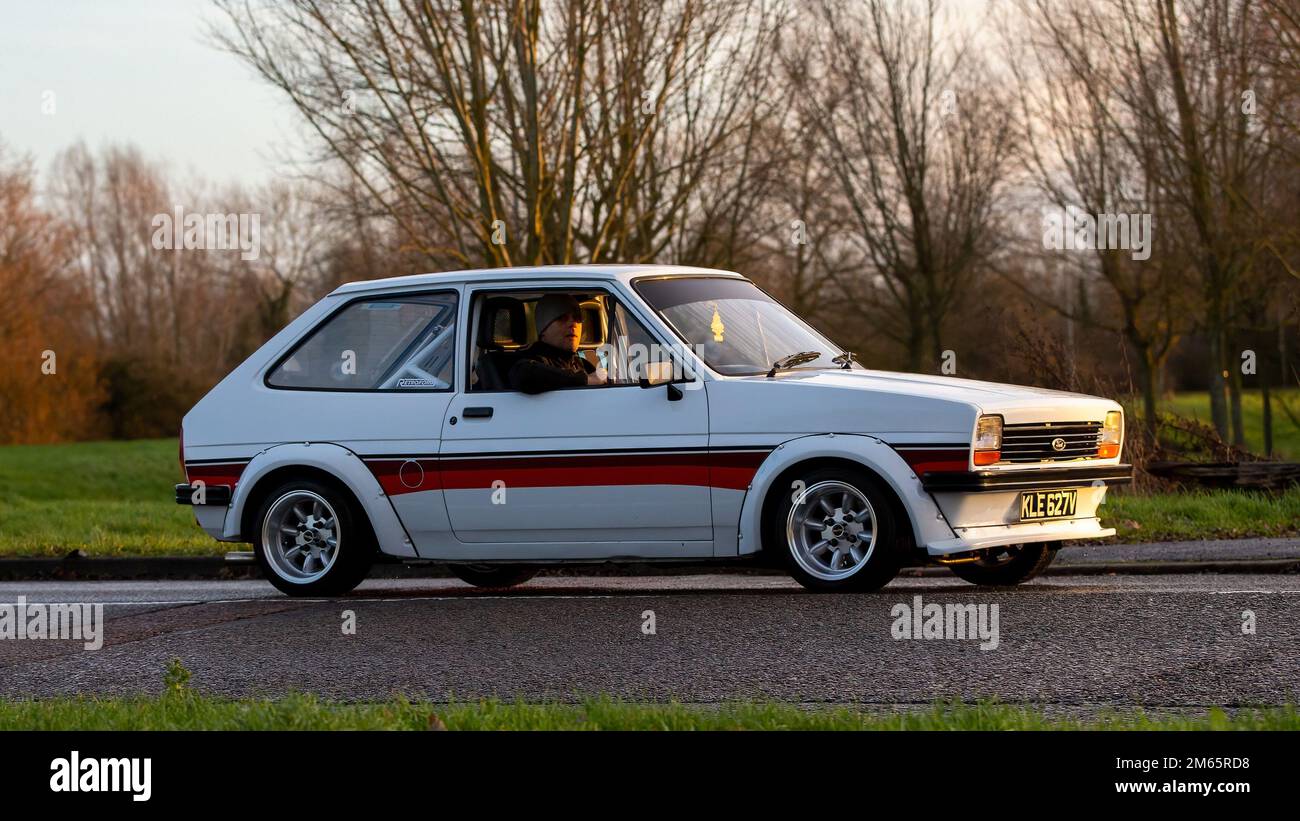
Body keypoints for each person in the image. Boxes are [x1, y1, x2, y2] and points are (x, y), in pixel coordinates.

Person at [508, 294, 607, 394]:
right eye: (562, 318)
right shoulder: (532, 359)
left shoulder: (582, 363)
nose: (573, 323)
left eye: (577, 318)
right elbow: (524, 374)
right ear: (544, 330)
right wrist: (585, 380)